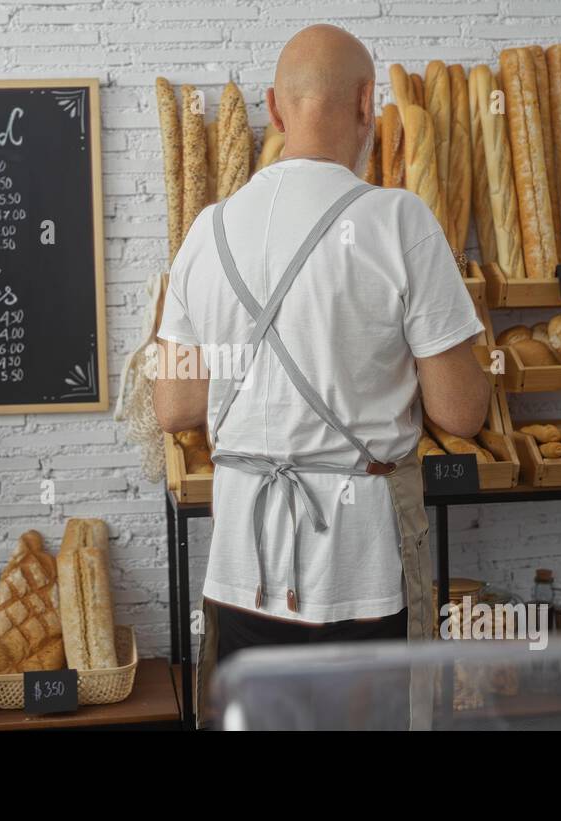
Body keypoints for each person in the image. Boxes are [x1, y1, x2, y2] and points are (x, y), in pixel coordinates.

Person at [153, 24, 490, 706]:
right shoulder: (401, 221)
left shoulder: (205, 232)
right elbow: (462, 412)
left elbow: (175, 406)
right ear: (369, 103)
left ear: (274, 111)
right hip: (361, 564)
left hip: (242, 564)